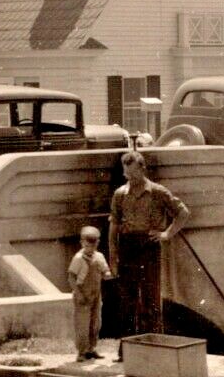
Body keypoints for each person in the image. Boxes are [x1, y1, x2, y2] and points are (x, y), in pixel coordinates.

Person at [110, 150, 189, 338]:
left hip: (149, 246)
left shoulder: (158, 192)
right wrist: (113, 255)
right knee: (127, 301)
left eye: (133, 173)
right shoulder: (120, 194)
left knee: (150, 298)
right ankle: (127, 348)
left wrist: (167, 234)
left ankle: (154, 345)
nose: (129, 177)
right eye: (126, 173)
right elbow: (114, 225)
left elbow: (183, 213)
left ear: (142, 168)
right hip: (127, 247)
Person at [68, 225, 113, 361]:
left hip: (95, 293)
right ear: (82, 243)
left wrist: (108, 273)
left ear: (97, 244)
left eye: (93, 246)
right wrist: (78, 293)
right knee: (82, 323)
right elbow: (71, 277)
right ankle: (81, 351)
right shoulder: (78, 258)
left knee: (95, 322)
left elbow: (106, 272)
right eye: (87, 246)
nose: (90, 249)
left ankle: (91, 348)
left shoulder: (99, 257)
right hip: (82, 292)